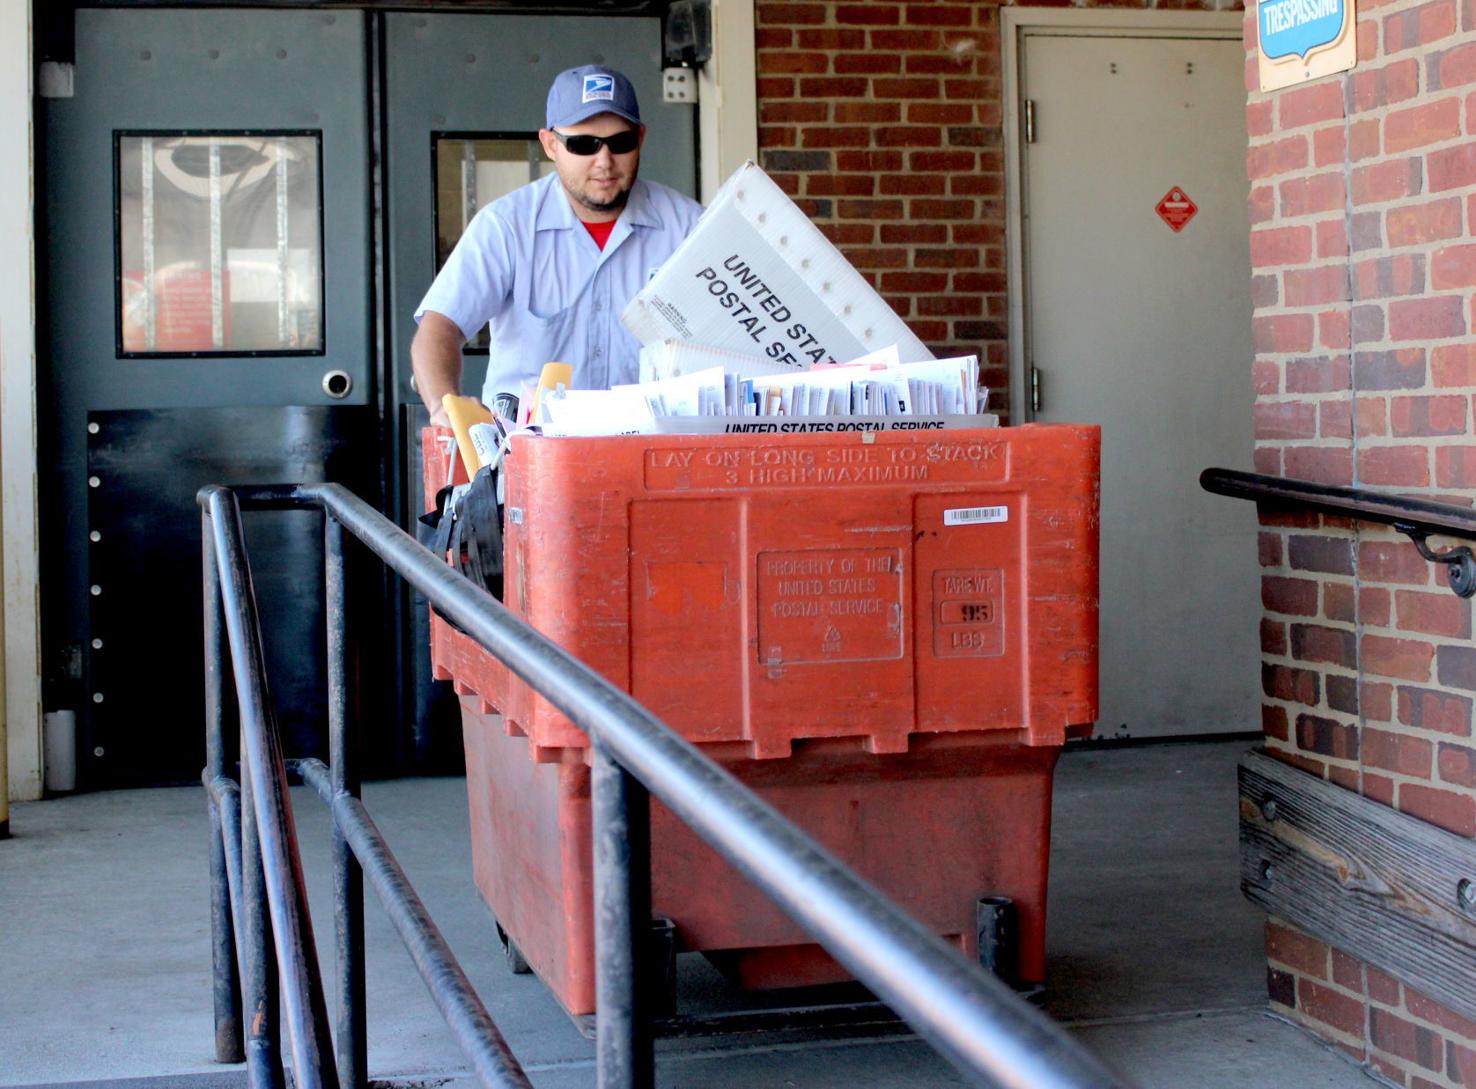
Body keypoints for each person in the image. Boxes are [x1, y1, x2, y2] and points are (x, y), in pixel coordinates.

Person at [412, 65, 703, 425]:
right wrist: (444, 407)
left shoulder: (689, 228)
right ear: (550, 144)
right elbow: (441, 325)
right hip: (530, 449)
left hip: (650, 446)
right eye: (583, 144)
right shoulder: (506, 227)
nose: (604, 161)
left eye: (620, 143)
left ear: (640, 139)